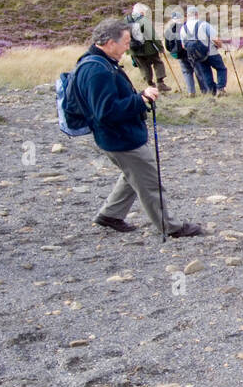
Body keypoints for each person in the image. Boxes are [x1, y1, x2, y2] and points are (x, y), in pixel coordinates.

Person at [76, 18, 203, 237]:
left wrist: (138, 98)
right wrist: (140, 100)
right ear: (108, 42)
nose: (128, 47)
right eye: (125, 42)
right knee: (150, 181)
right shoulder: (98, 71)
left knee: (132, 175)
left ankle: (110, 215)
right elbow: (106, 112)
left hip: (116, 137)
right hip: (120, 138)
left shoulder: (99, 63)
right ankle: (170, 227)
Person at [180, 7, 227, 97]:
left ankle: (212, 91)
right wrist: (223, 46)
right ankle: (220, 89)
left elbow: (183, 46)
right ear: (197, 14)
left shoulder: (183, 28)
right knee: (221, 68)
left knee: (206, 72)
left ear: (187, 15)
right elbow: (215, 39)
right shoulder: (204, 24)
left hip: (197, 56)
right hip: (212, 53)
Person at [126, 3, 169, 93]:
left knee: (144, 67)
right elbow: (152, 35)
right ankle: (160, 83)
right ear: (141, 12)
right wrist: (160, 47)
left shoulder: (125, 20)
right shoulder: (143, 20)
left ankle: (150, 85)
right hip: (148, 49)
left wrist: (127, 50)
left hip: (133, 50)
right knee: (158, 62)